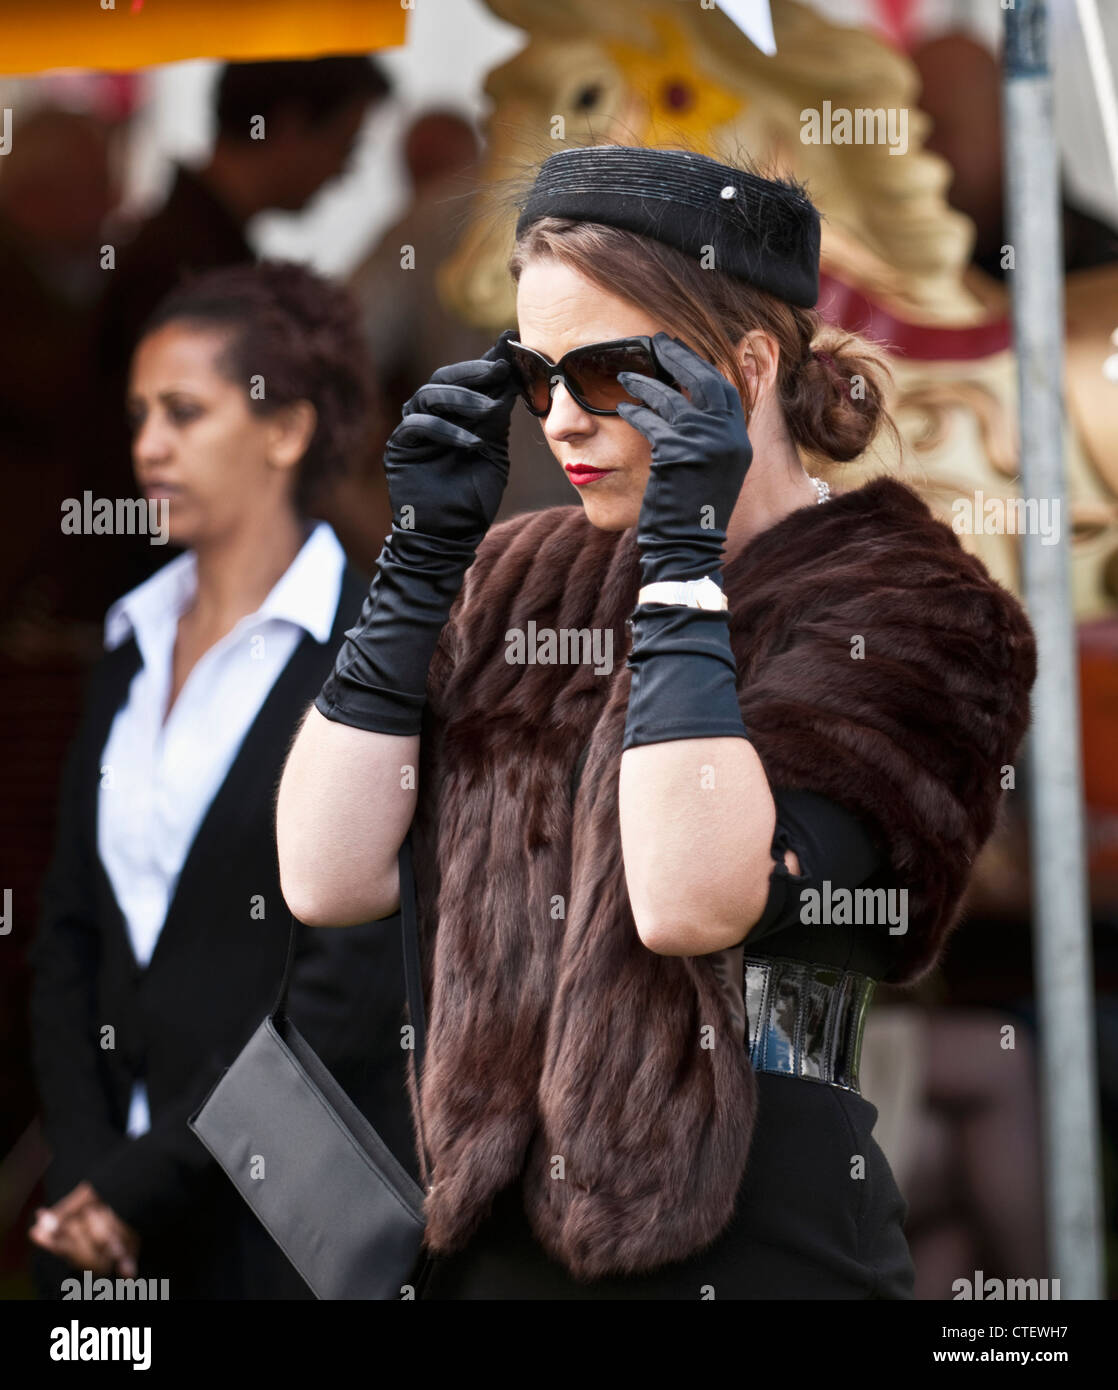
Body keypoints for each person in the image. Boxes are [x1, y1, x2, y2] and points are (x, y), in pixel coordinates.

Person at [276, 145, 1038, 1299]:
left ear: (742, 371)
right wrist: (418, 567)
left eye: (605, 376)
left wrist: (681, 567)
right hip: (488, 1257)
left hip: (758, 1255)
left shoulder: (908, 607)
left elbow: (686, 900)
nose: (562, 422)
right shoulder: (522, 573)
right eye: (537, 378)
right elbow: (325, 874)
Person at [27, 260, 415, 1299]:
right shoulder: (130, 640)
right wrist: (86, 1169)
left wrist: (143, 1184)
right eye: (139, 413)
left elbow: (346, 986)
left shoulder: (370, 654)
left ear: (284, 431)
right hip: (104, 1232)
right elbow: (70, 925)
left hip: (282, 1231)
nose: (147, 444)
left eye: (183, 413)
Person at [88, 56, 393, 610]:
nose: (346, 172)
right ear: (290, 125)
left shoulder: (193, 245)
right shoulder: (190, 262)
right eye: (346, 144)